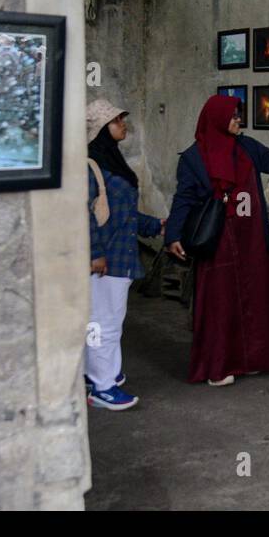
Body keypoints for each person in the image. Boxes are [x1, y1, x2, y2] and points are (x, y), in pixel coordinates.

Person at [164, 94, 269, 386]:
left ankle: (251, 360)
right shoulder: (193, 158)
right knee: (220, 303)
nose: (239, 120)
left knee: (253, 299)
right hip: (217, 242)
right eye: (234, 116)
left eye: (239, 115)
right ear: (216, 119)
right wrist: (173, 235)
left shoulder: (247, 146)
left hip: (250, 237)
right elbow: (184, 199)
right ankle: (219, 367)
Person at [85, 98, 165, 410]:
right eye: (117, 121)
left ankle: (99, 375)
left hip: (119, 253)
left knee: (106, 320)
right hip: (106, 259)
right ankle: (102, 388)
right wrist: (95, 253)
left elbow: (124, 213)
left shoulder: (111, 161)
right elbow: (83, 214)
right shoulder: (90, 165)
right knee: (103, 323)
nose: (123, 125)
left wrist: (156, 225)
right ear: (101, 129)